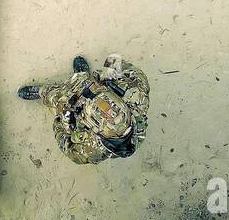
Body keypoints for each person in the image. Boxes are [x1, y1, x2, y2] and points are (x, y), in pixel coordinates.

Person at [18, 54, 149, 165]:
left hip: (76, 107)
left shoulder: (90, 150)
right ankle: (82, 75)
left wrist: (60, 123)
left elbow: (68, 148)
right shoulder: (138, 102)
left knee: (57, 99)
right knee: (97, 74)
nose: (110, 111)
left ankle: (43, 92)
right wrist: (109, 74)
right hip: (98, 87)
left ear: (97, 132)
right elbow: (131, 71)